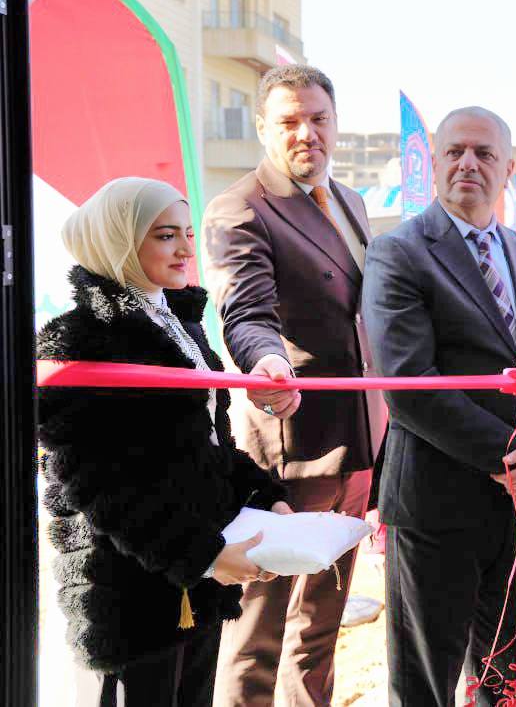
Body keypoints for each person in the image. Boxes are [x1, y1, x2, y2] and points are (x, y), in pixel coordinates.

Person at [361, 105, 516, 707]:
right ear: (433, 163)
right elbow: (409, 383)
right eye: (455, 151)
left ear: (507, 168)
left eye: (484, 154)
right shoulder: (398, 252)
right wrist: (513, 454)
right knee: (424, 683)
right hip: (436, 502)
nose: (468, 163)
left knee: (504, 676)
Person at [37, 177, 290, 707]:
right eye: (164, 235)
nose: (183, 249)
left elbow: (206, 447)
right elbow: (96, 481)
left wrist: (264, 498)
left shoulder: (182, 326)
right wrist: (200, 556)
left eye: (187, 234)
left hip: (193, 581)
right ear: (121, 241)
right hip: (126, 589)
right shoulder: (81, 338)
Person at [203, 65, 385, 707]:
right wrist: (265, 364)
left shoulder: (353, 204)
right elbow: (245, 312)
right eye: (288, 121)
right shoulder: (239, 207)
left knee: (322, 630)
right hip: (287, 451)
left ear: (335, 124)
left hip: (358, 447)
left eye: (318, 118)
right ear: (262, 128)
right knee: (259, 634)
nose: (306, 133)